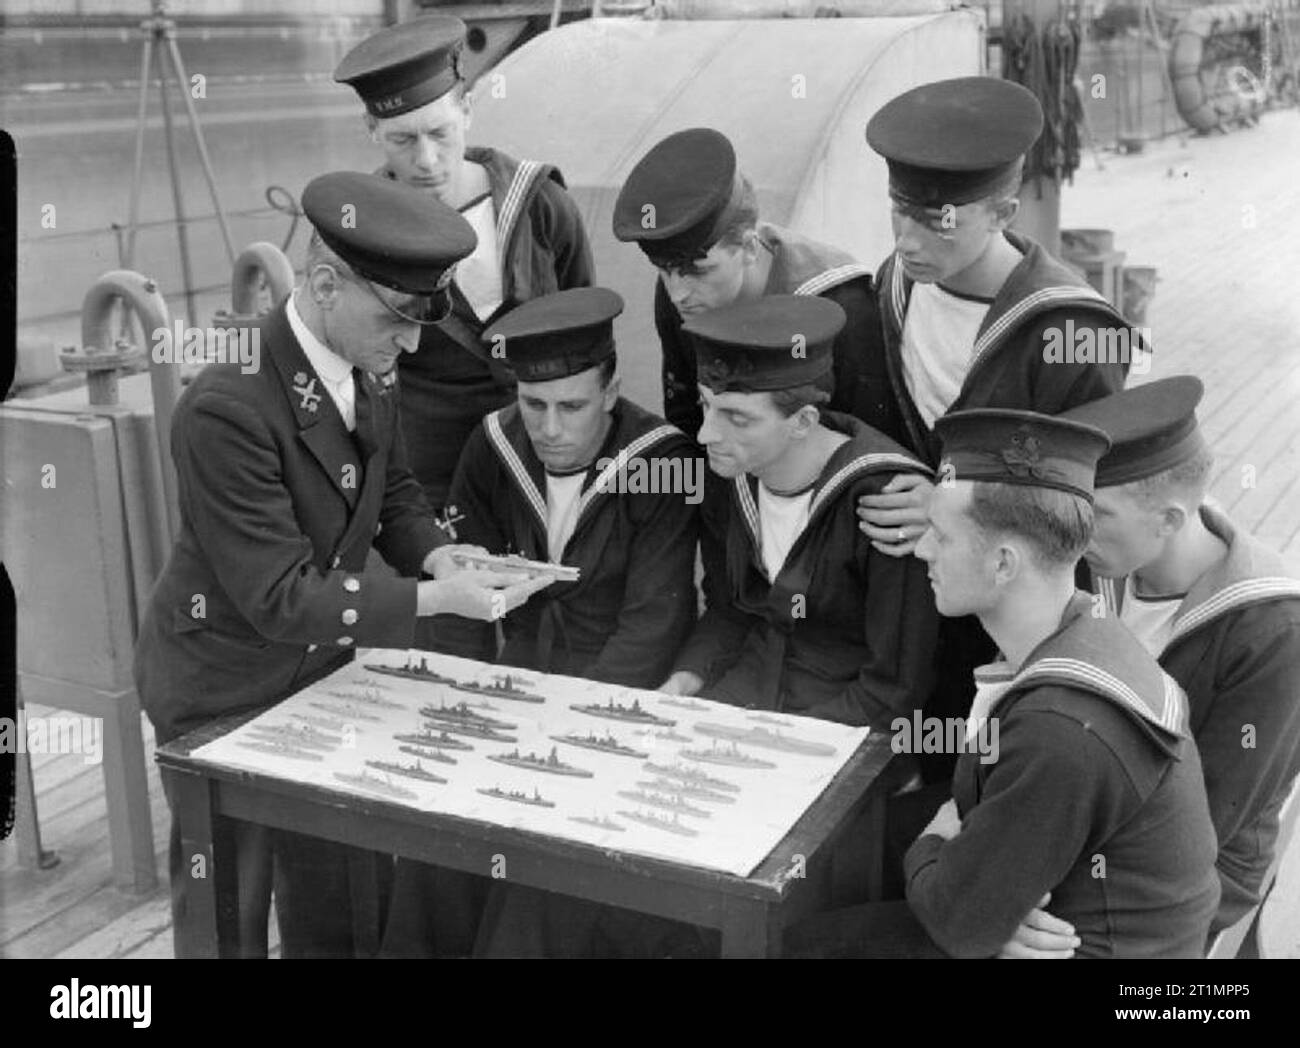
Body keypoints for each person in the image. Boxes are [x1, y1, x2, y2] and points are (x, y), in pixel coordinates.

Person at [133, 171, 551, 958]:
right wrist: (436, 600)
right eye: (400, 316)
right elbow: (281, 597)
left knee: (338, 894)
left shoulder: (365, 362)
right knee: (230, 911)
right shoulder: (227, 407)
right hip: (222, 689)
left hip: (320, 677)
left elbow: (390, 489)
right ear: (324, 283)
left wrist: (436, 550)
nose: (416, 341)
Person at [788, 408, 1221, 958]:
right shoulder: (1083, 628)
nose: (922, 551)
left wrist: (934, 843)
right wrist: (954, 864)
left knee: (797, 948)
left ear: (1003, 564)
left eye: (941, 537)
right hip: (1081, 924)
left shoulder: (1061, 727)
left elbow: (959, 925)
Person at [382, 287, 702, 958]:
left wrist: (575, 726)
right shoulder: (493, 445)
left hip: (614, 704)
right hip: (517, 686)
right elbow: (465, 598)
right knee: (433, 845)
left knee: (538, 876)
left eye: (572, 407)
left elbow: (651, 625)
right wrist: (461, 702)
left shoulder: (661, 462)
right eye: (534, 405)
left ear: (611, 391)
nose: (550, 428)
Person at [853, 76, 1143, 778]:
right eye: (900, 211)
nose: (910, 240)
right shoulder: (891, 289)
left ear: (1004, 211)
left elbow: (1088, 508)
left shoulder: (1074, 329)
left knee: (995, 784)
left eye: (939, 220)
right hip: (921, 604)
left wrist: (956, 504)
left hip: (1024, 630)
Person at [1000, 377, 1300, 954]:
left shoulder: (1271, 630)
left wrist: (1016, 892)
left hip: (1183, 887)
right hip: (1076, 824)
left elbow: (1205, 828)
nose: (1075, 529)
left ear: (1168, 519)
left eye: (1100, 514)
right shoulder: (1100, 558)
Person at [334, 13, 594, 514]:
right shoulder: (358, 232)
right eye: (403, 140)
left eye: (440, 133)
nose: (427, 160)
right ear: (372, 129)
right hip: (426, 478)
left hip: (542, 454)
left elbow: (587, 344)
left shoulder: (540, 205)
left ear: (469, 109)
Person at [662, 294, 937, 733]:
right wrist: (687, 676)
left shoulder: (886, 500)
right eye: (705, 405)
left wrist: (770, 739)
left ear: (804, 421)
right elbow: (731, 611)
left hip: (847, 724)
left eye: (737, 417)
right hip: (749, 697)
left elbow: (893, 690)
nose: (706, 432)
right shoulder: (730, 474)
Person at [611, 127, 889, 438]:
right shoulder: (680, 290)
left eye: (700, 272)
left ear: (747, 247)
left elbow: (872, 437)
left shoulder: (838, 302)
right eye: (663, 270)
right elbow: (688, 420)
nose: (678, 294)